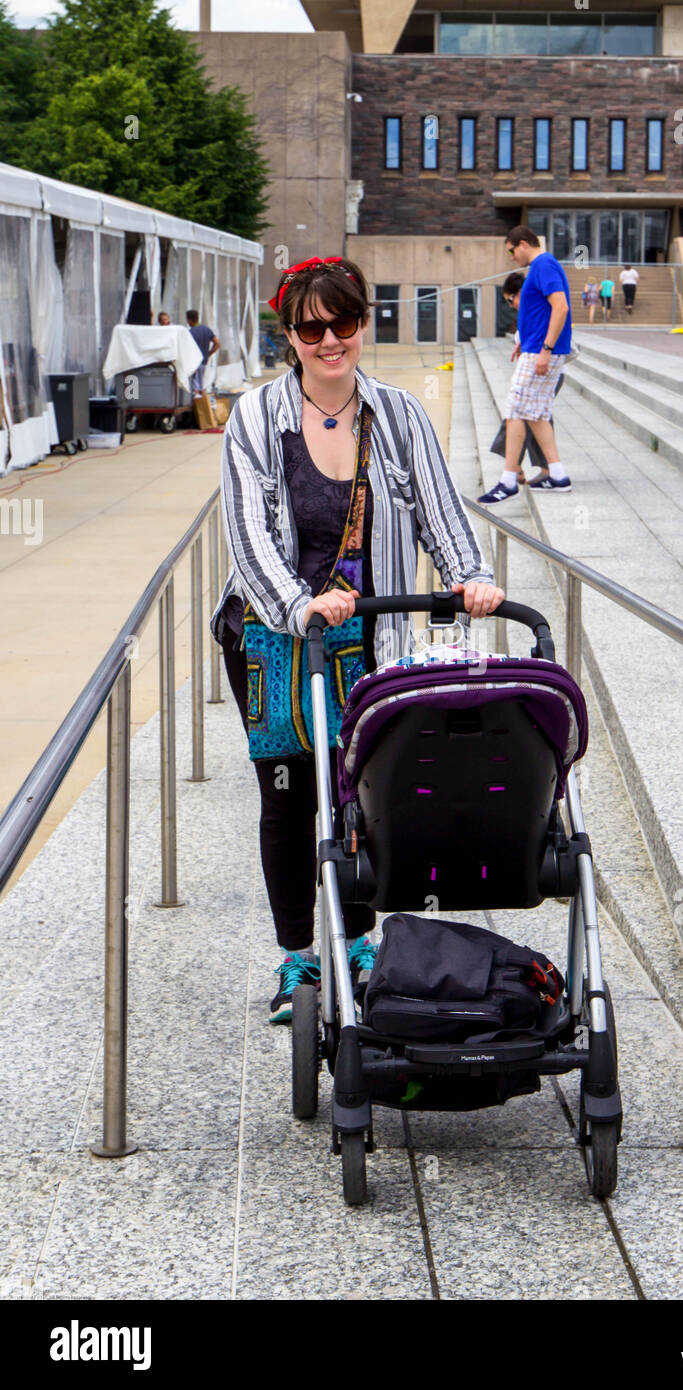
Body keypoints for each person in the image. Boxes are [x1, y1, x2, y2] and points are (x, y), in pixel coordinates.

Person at [209, 255, 503, 1023]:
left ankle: (362, 942)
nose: (331, 340)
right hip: (277, 643)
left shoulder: (397, 414)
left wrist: (470, 577)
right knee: (289, 796)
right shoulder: (256, 418)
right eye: (313, 327)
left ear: (363, 322)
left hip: (371, 645)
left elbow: (439, 506)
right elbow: (244, 532)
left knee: (368, 794)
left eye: (345, 322)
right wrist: (298, 605)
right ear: (291, 336)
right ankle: (299, 960)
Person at [478, 225, 572, 503]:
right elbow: (546, 309)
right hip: (536, 349)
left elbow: (561, 306)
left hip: (540, 353)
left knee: (515, 410)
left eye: (511, 251)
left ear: (522, 244)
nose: (511, 257)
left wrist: (545, 349)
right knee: (536, 414)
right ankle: (558, 475)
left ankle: (509, 480)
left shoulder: (543, 265)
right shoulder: (544, 266)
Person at [490, 273, 563, 481]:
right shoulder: (529, 312)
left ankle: (516, 470)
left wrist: (544, 351)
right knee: (534, 415)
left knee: (524, 414)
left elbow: (550, 331)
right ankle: (546, 469)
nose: (510, 305)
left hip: (544, 368)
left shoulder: (539, 309)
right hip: (542, 367)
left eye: (510, 299)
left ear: (521, 293)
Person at [186, 309, 220, 396]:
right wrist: (209, 353)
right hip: (204, 361)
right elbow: (217, 343)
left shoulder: (191, 332)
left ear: (189, 320)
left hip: (194, 363)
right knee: (201, 383)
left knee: (196, 386)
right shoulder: (206, 329)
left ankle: (198, 405)